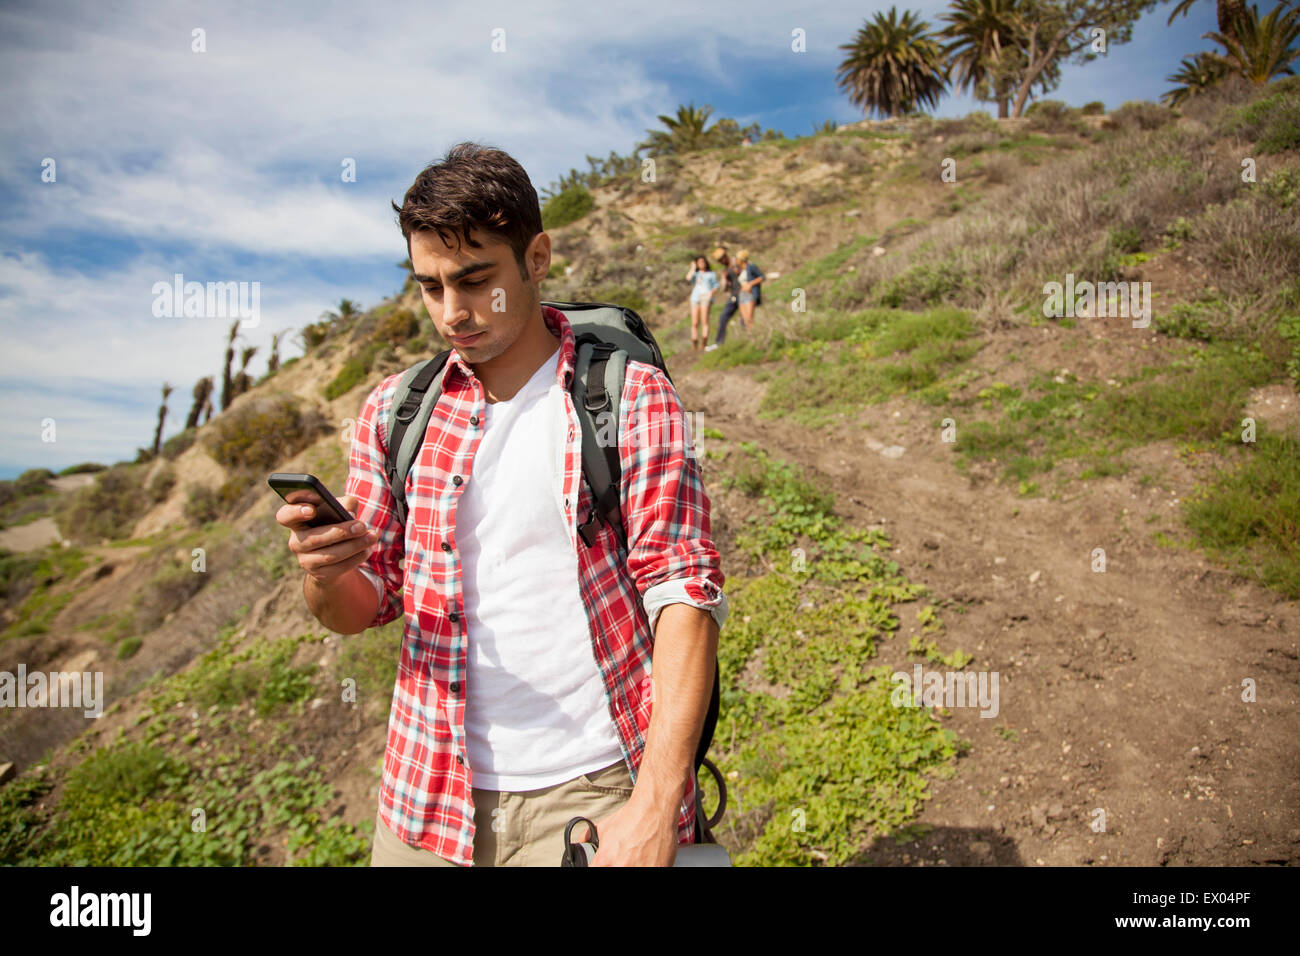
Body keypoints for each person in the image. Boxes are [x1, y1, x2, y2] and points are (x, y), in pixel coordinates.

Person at [275, 142, 729, 867]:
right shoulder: (392, 412)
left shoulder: (628, 396)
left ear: (537, 258)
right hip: (424, 797)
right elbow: (359, 610)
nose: (452, 312)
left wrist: (654, 802)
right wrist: (326, 573)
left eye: (474, 279)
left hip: (594, 792)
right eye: (429, 287)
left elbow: (684, 595)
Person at [706, 246, 741, 351]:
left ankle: (748, 337)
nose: (722, 262)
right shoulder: (725, 270)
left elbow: (749, 271)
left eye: (722, 259)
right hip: (734, 294)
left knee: (745, 318)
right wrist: (725, 278)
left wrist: (738, 271)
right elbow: (724, 288)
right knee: (723, 317)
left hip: (743, 293)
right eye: (719, 261)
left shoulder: (737, 262)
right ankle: (719, 342)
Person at [685, 254, 718, 351]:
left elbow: (716, 285)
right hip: (695, 297)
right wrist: (693, 267)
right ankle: (694, 345)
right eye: (699, 262)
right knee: (694, 322)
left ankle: (703, 344)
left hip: (705, 297)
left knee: (704, 321)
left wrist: (712, 292)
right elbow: (688, 278)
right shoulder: (696, 274)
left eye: (703, 262)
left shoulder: (711, 274)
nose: (701, 264)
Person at [734, 249, 764, 333]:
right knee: (745, 319)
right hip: (742, 295)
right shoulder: (740, 270)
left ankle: (753, 334)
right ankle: (749, 335)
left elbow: (762, 277)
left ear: (741, 259)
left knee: (749, 318)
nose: (736, 261)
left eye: (737, 259)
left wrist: (750, 284)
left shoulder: (751, 267)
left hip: (749, 294)